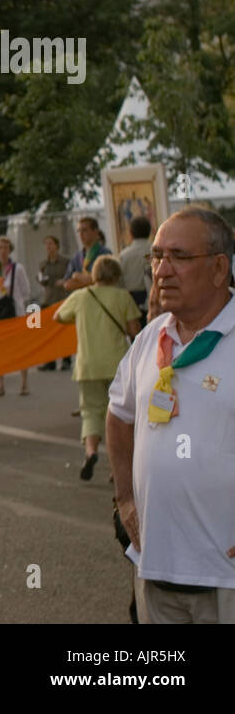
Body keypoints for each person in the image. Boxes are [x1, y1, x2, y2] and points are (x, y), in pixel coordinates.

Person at [107, 207, 235, 623]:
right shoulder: (151, 337)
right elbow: (118, 415)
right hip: (156, 568)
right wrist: (125, 497)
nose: (162, 270)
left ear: (219, 268)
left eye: (179, 257)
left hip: (226, 577)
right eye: (157, 256)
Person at [55, 256, 140, 481]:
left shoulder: (80, 297)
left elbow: (58, 316)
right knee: (120, 415)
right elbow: (135, 331)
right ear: (117, 275)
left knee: (91, 412)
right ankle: (117, 467)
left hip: (87, 365)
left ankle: (91, 452)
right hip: (117, 365)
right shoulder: (123, 297)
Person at [0, 236, 31, 397]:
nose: (3, 251)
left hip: (15, 312)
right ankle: (1, 384)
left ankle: (24, 383)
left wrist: (15, 299)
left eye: (5, 247)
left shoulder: (17, 268)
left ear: (10, 249)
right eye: (0, 248)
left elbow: (26, 291)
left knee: (20, 348)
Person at [37, 235, 73, 371]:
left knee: (64, 332)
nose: (48, 247)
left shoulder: (65, 262)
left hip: (62, 299)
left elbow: (70, 276)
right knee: (48, 333)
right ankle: (50, 361)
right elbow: (40, 278)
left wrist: (63, 281)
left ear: (57, 246)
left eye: (51, 244)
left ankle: (66, 360)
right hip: (48, 300)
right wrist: (41, 279)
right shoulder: (43, 264)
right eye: (46, 244)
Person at [118, 215, 153, 319]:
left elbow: (119, 280)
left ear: (131, 233)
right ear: (149, 231)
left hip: (130, 299)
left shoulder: (124, 255)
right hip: (153, 298)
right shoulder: (155, 250)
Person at [62, 216, 108, 292]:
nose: (81, 234)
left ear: (95, 231)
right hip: (82, 299)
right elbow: (67, 284)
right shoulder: (76, 257)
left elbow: (106, 280)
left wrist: (78, 277)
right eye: (79, 231)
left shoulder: (105, 254)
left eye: (84, 230)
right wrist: (90, 280)